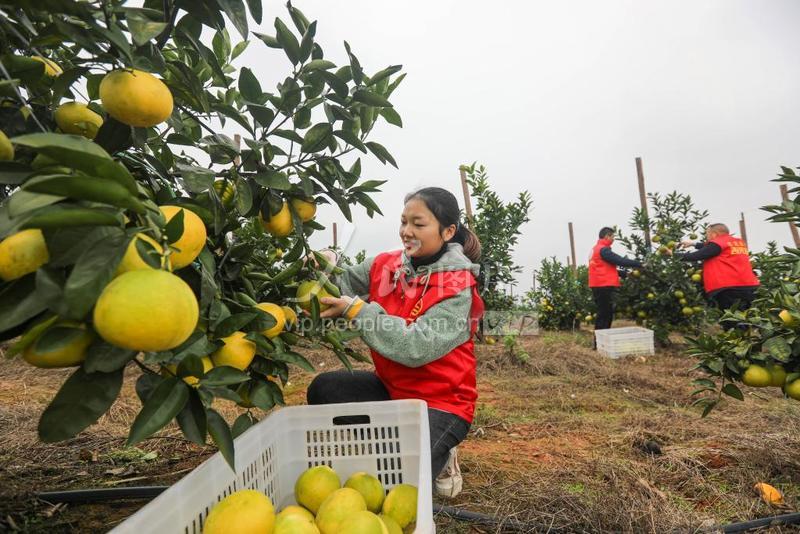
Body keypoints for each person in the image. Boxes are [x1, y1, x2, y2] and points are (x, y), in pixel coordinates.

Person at [306, 187, 485, 499]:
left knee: (398, 488)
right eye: (403, 222)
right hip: (394, 391)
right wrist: (324, 266)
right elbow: (343, 283)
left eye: (418, 224)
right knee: (325, 389)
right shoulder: (386, 265)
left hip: (442, 404)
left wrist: (359, 310)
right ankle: (393, 447)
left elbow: (415, 347)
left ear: (448, 231)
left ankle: (440, 450)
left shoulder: (457, 287)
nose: (407, 232)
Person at [676, 223, 759, 327]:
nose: (708, 237)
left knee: (731, 320)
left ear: (714, 234)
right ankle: (746, 340)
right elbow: (711, 248)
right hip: (748, 286)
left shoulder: (718, 243)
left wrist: (673, 255)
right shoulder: (737, 242)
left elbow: (698, 255)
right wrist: (693, 244)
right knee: (744, 317)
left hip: (729, 288)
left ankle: (735, 341)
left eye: (708, 234)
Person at [588, 227, 643, 335]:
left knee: (605, 313)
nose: (613, 239)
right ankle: (599, 341)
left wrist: (625, 274)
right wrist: (639, 264)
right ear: (607, 236)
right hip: (603, 285)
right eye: (613, 237)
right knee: (605, 314)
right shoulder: (603, 249)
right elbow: (619, 260)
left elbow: (606, 267)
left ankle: (600, 340)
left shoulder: (596, 249)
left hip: (598, 284)